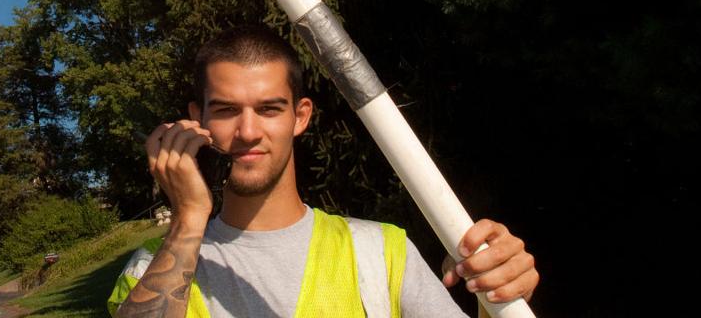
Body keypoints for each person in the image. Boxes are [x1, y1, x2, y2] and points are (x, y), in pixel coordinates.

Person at [108, 26, 538, 317]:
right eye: (224, 110)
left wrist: (501, 299)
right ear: (196, 119)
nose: (248, 131)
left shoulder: (382, 251)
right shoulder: (150, 267)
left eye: (269, 109)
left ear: (300, 117)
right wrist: (188, 219)